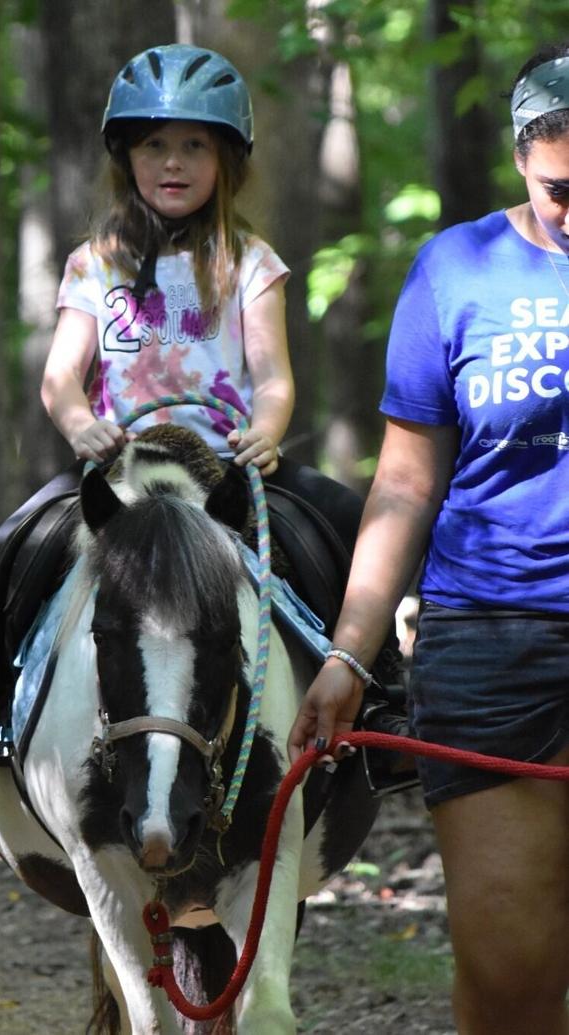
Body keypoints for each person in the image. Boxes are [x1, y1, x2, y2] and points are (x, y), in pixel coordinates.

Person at [0, 43, 376, 828]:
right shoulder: (94, 263)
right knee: (11, 542)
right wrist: (80, 423)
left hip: (222, 468)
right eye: (155, 144)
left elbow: (274, 375)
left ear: (226, 159)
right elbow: (59, 376)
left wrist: (267, 428)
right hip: (120, 470)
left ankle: (380, 706)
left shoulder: (250, 261)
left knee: (344, 519)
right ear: (126, 156)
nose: (173, 162)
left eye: (194, 145)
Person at [287, 43, 569, 1035]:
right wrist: (345, 656)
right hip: (492, 641)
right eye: (558, 188)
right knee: (510, 975)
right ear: (523, 157)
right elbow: (405, 485)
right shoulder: (455, 268)